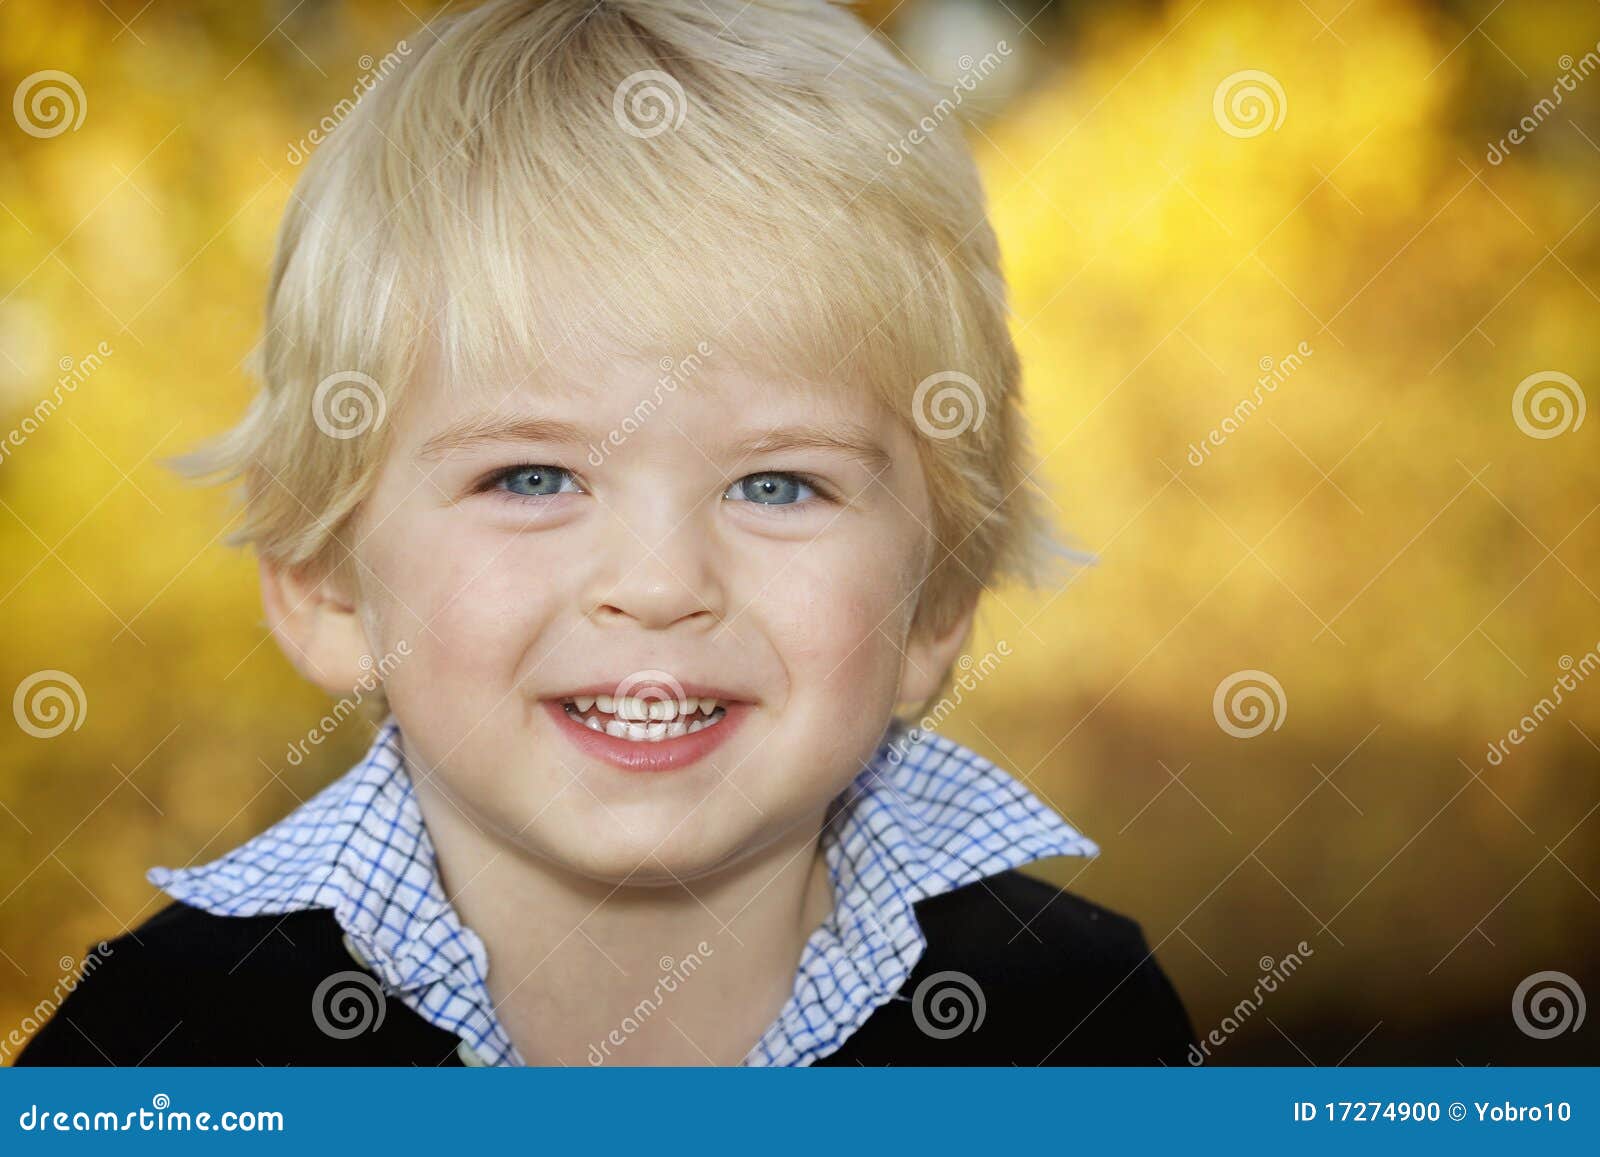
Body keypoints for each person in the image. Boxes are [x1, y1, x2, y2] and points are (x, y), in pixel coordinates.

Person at [17, 0, 1193, 1067]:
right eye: (532, 475)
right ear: (326, 583)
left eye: (778, 485)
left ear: (937, 601)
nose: (659, 582)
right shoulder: (170, 1043)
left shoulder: (1072, 1018)